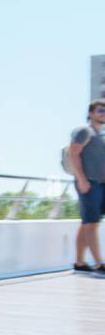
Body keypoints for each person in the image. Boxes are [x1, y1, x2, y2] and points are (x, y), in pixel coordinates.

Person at [67, 98, 105, 272]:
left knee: (87, 223)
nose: (103, 114)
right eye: (100, 110)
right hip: (88, 183)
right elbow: (73, 154)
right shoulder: (84, 130)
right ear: (91, 113)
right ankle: (99, 263)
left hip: (99, 184)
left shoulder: (100, 135)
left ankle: (80, 262)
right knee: (91, 223)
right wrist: (81, 179)